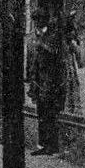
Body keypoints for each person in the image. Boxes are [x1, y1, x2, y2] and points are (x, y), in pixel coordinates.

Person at [27, 9, 64, 155]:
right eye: (35, 20)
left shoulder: (52, 35)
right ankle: (43, 144)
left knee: (50, 111)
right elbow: (29, 58)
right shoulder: (32, 37)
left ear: (45, 20)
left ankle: (51, 144)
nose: (37, 23)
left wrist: (41, 43)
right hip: (37, 80)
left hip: (50, 80)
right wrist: (29, 77)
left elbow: (55, 53)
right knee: (41, 112)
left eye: (39, 20)